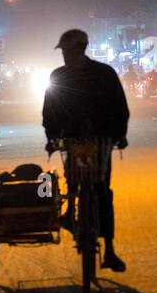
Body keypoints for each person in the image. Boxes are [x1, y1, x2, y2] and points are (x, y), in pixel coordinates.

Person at [42, 28, 131, 272]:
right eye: (64, 52)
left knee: (101, 189)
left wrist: (120, 135)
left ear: (80, 49)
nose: (65, 56)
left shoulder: (104, 73)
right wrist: (51, 138)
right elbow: (49, 111)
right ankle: (72, 212)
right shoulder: (65, 75)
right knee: (81, 182)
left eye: (68, 51)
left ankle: (109, 250)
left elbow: (119, 108)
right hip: (78, 140)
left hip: (100, 140)